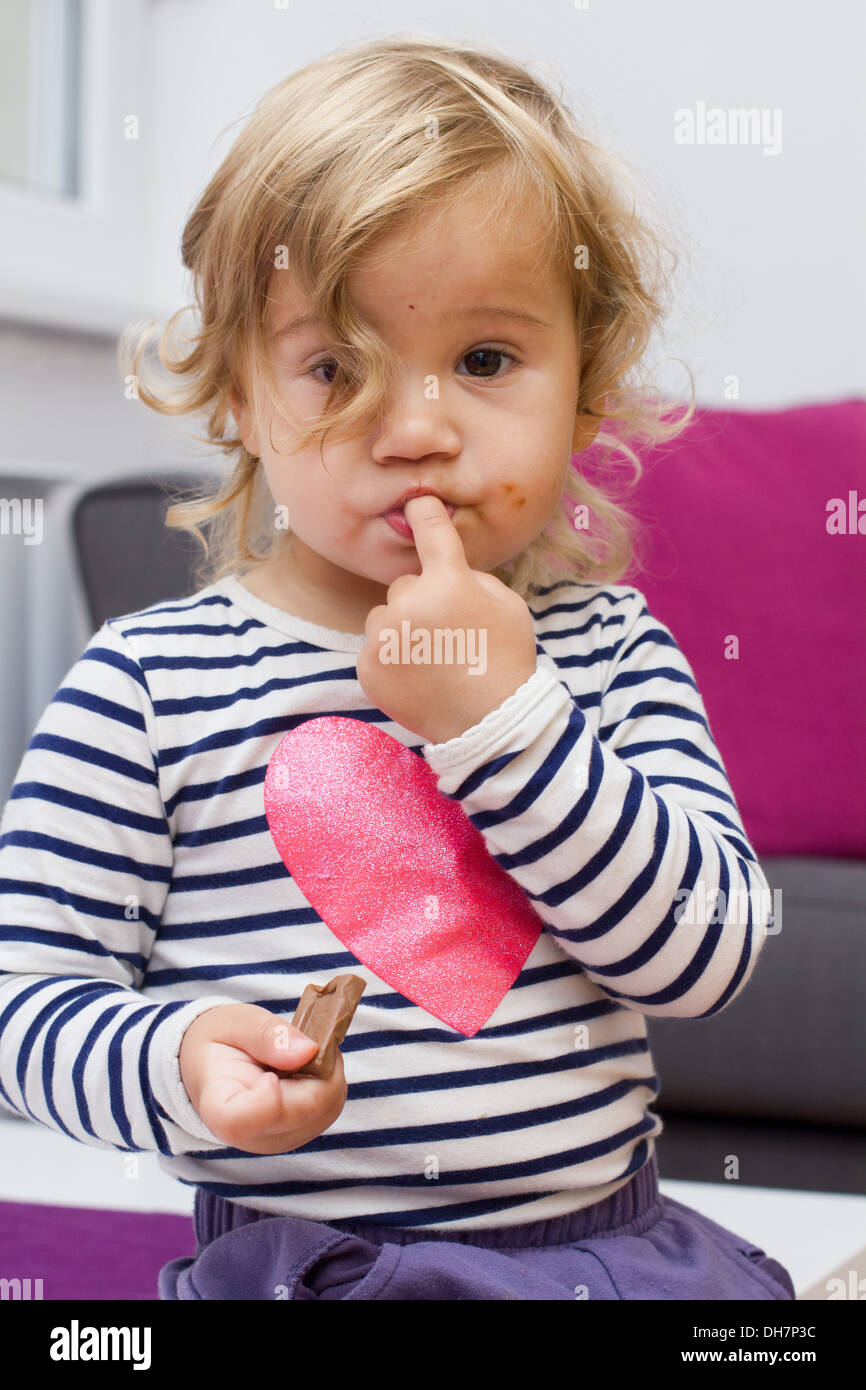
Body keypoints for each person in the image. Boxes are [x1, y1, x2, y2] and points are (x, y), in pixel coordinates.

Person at [0, 34, 795, 1301]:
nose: (416, 428)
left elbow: (704, 958)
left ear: (582, 395)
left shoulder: (607, 654)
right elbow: (25, 1000)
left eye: (484, 361)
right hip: (315, 1270)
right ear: (239, 403)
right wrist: (181, 1054)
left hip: (602, 1259)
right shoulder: (146, 687)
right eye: (332, 367)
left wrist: (507, 722)